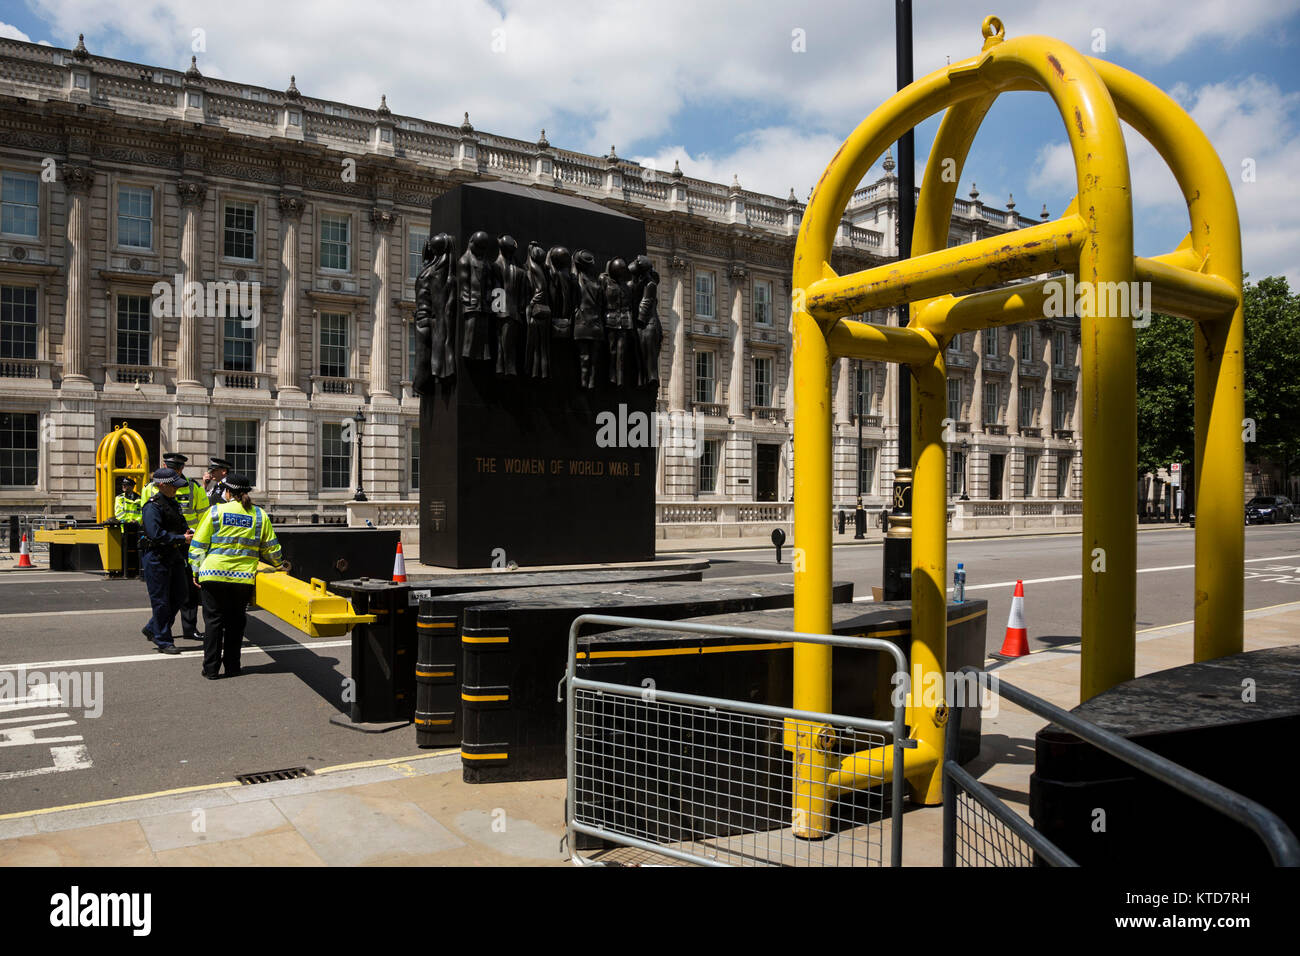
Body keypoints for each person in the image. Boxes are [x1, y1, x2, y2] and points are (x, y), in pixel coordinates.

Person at [188, 473, 282, 679]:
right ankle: (232, 666)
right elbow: (271, 548)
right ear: (246, 492)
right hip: (242, 579)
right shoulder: (259, 515)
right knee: (235, 623)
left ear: (227, 492)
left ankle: (210, 669)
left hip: (212, 575)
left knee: (213, 623)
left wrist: (196, 570)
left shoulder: (215, 511)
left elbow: (198, 545)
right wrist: (280, 565)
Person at [142, 452, 209, 639]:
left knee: (186, 591)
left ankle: (189, 628)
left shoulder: (194, 487)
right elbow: (148, 522)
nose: (176, 473)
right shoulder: (150, 491)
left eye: (178, 469)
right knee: (164, 595)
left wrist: (197, 539)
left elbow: (204, 516)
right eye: (172, 469)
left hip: (190, 544)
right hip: (164, 544)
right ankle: (159, 631)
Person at [140, 468, 193, 655]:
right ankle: (163, 640)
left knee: (180, 595)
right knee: (161, 601)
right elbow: (155, 534)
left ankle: (152, 627)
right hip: (156, 556)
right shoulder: (152, 506)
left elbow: (181, 524)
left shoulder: (173, 503)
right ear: (161, 485)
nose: (177, 490)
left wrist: (188, 533)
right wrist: (181, 538)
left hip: (173, 554)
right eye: (174, 486)